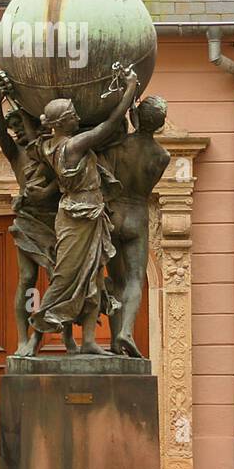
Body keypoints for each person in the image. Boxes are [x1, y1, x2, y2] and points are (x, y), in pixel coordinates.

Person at [30, 68, 139, 355]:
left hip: (86, 212)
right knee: (67, 277)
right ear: (63, 123)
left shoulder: (47, 145)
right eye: (74, 116)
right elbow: (110, 123)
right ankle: (39, 330)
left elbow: (59, 179)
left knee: (92, 276)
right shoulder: (74, 144)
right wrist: (130, 87)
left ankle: (87, 340)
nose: (79, 118)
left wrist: (45, 191)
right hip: (80, 214)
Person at [0, 74, 75, 357]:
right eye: (15, 130)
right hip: (28, 221)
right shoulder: (17, 154)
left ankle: (62, 337)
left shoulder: (48, 151)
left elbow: (61, 183)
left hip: (55, 222)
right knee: (26, 279)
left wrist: (47, 191)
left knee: (57, 280)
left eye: (22, 127)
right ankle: (23, 338)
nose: (18, 133)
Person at [100, 95, 171, 357]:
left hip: (113, 212)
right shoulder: (162, 156)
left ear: (136, 117)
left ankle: (117, 337)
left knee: (116, 280)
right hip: (137, 215)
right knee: (134, 280)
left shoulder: (117, 148)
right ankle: (125, 332)